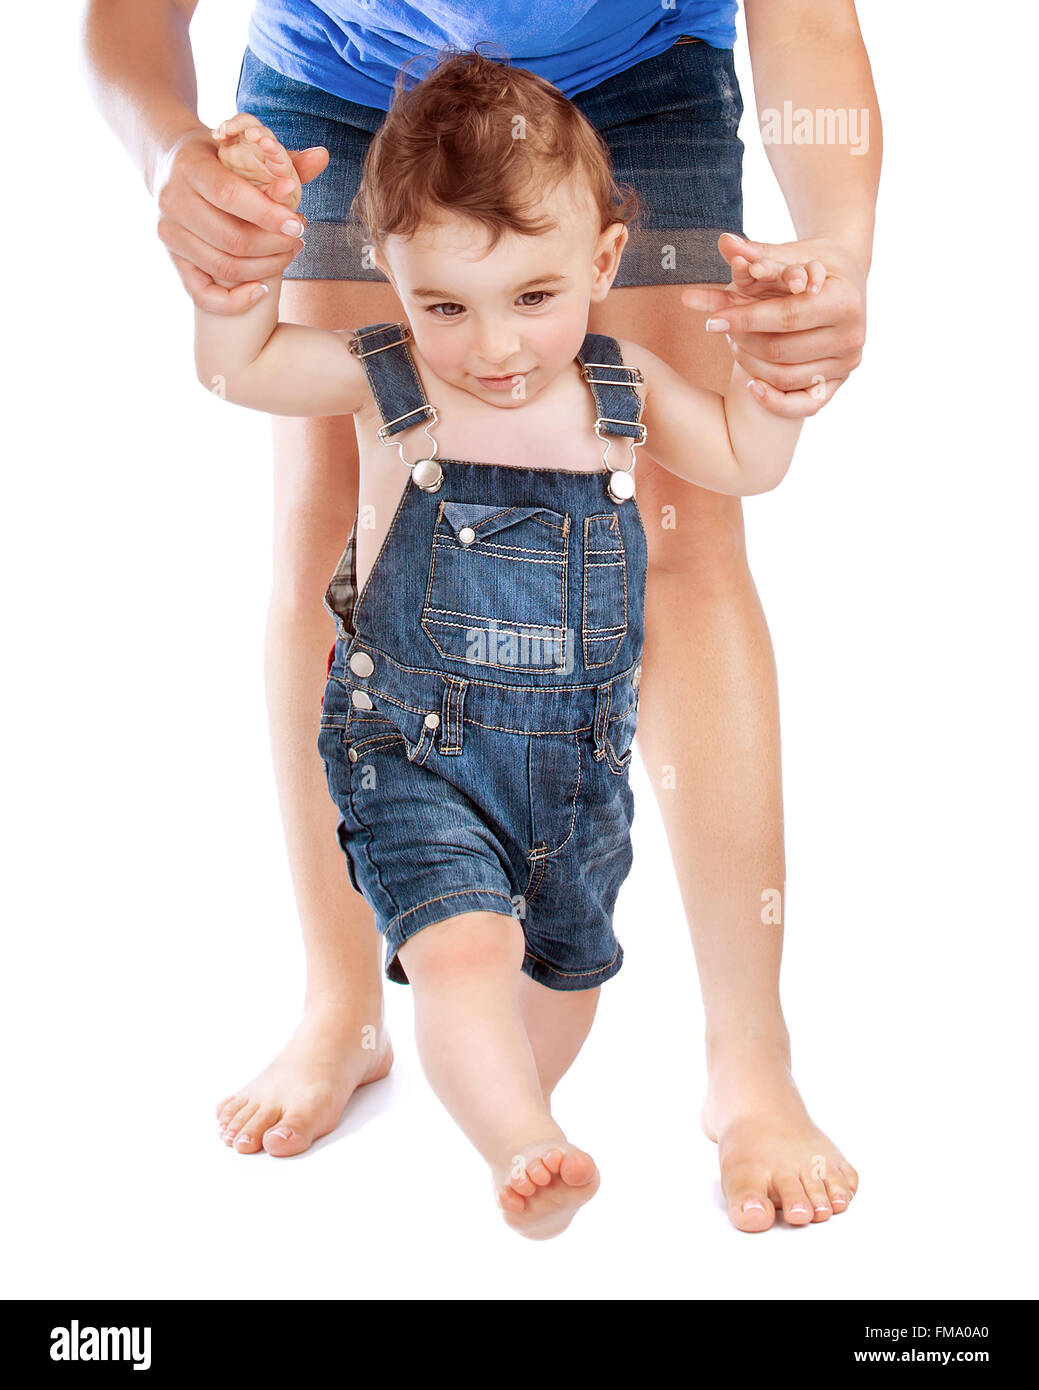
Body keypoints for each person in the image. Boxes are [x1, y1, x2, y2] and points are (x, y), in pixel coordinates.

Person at [83, 0, 877, 1232]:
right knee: (330, 538)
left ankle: (750, 1059)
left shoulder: (624, 367)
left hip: (632, 78)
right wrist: (177, 166)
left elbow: (807, 24)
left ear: (604, 257)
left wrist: (826, 271)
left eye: (525, 308)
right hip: (341, 91)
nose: (493, 350)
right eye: (450, 310)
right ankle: (343, 999)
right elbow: (130, 25)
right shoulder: (388, 340)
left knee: (686, 546)